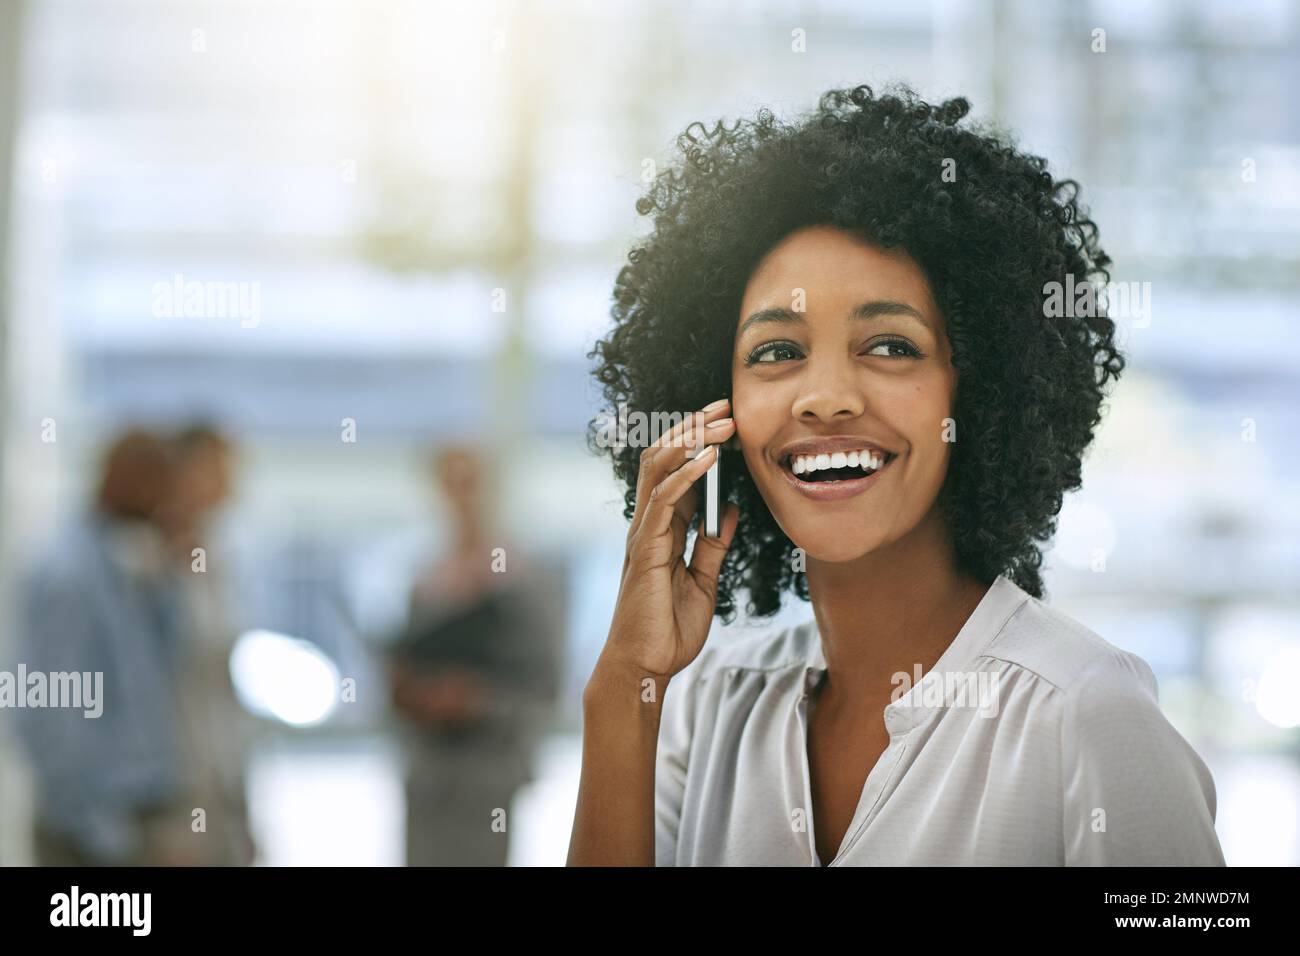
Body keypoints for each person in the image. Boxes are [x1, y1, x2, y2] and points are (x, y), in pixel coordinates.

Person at [568, 83, 1225, 866]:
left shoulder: (1081, 712)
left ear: (975, 385)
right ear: (718, 408)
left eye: (891, 345)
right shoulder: (708, 708)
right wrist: (623, 691)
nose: (826, 399)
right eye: (777, 352)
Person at [13, 429, 194, 865]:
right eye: (160, 492)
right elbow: (50, 712)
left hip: (136, 813)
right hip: (89, 830)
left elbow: (159, 672)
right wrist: (102, 831)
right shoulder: (69, 575)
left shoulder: (128, 568)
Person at [387, 445, 562, 866]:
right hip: (430, 777)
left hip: (489, 777)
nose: (460, 497)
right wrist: (411, 694)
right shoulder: (424, 582)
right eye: (450, 483)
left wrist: (475, 701)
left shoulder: (525, 582)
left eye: (470, 483)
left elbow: (545, 685)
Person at [155, 423, 257, 866]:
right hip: (171, 778)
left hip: (222, 773)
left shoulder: (218, 557)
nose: (231, 485)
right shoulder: (148, 564)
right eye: (220, 470)